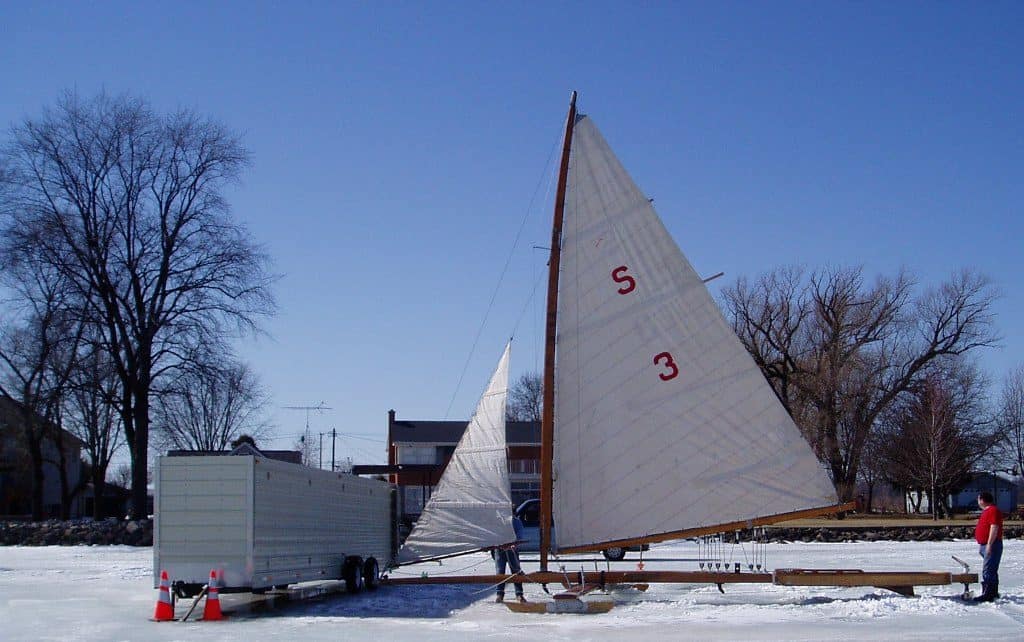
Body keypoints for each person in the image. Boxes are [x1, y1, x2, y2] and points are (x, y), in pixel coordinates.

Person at [973, 491, 1003, 603]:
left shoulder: (992, 510)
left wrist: (989, 544)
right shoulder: (987, 511)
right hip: (984, 544)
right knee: (990, 569)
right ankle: (993, 592)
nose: (978, 501)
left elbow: (994, 527)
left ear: (982, 500)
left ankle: (988, 594)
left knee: (988, 570)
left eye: (978, 499)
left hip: (991, 544)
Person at [493, 514, 526, 603]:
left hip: (512, 549)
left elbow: (520, 534)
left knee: (516, 571)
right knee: (500, 572)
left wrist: (515, 543)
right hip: (499, 549)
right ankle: (499, 594)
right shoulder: (497, 521)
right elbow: (493, 534)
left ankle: (519, 594)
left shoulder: (516, 521)